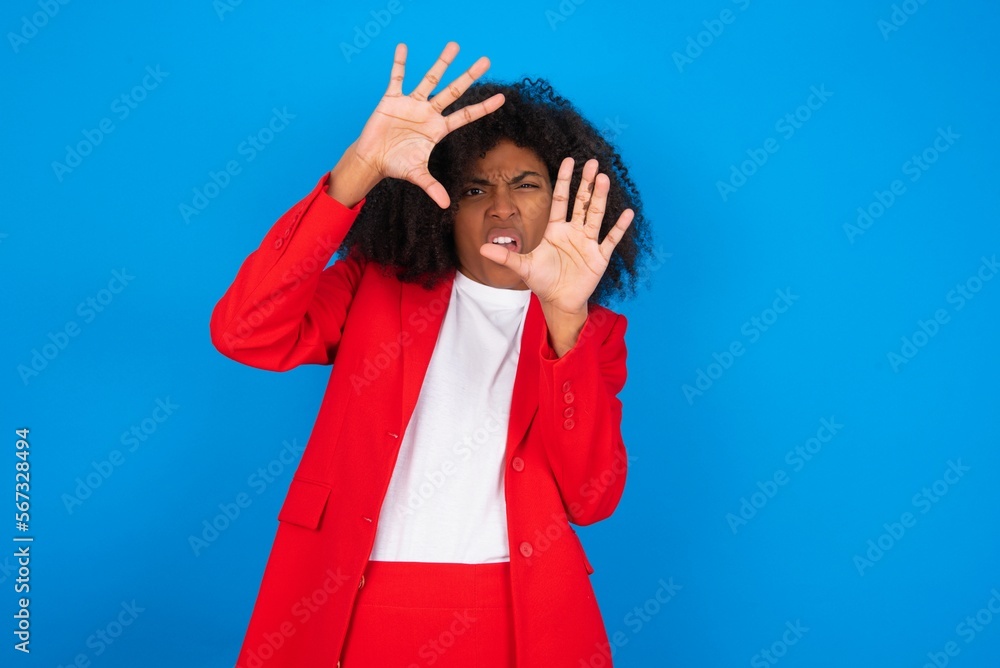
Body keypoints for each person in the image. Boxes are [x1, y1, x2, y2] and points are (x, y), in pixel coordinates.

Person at [210, 40, 653, 668]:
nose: (502, 205)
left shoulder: (591, 332)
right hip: (354, 603)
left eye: (525, 184)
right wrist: (358, 169)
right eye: (475, 190)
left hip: (519, 612)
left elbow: (593, 497)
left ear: (559, 201)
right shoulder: (375, 287)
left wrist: (564, 315)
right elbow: (245, 330)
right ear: (440, 209)